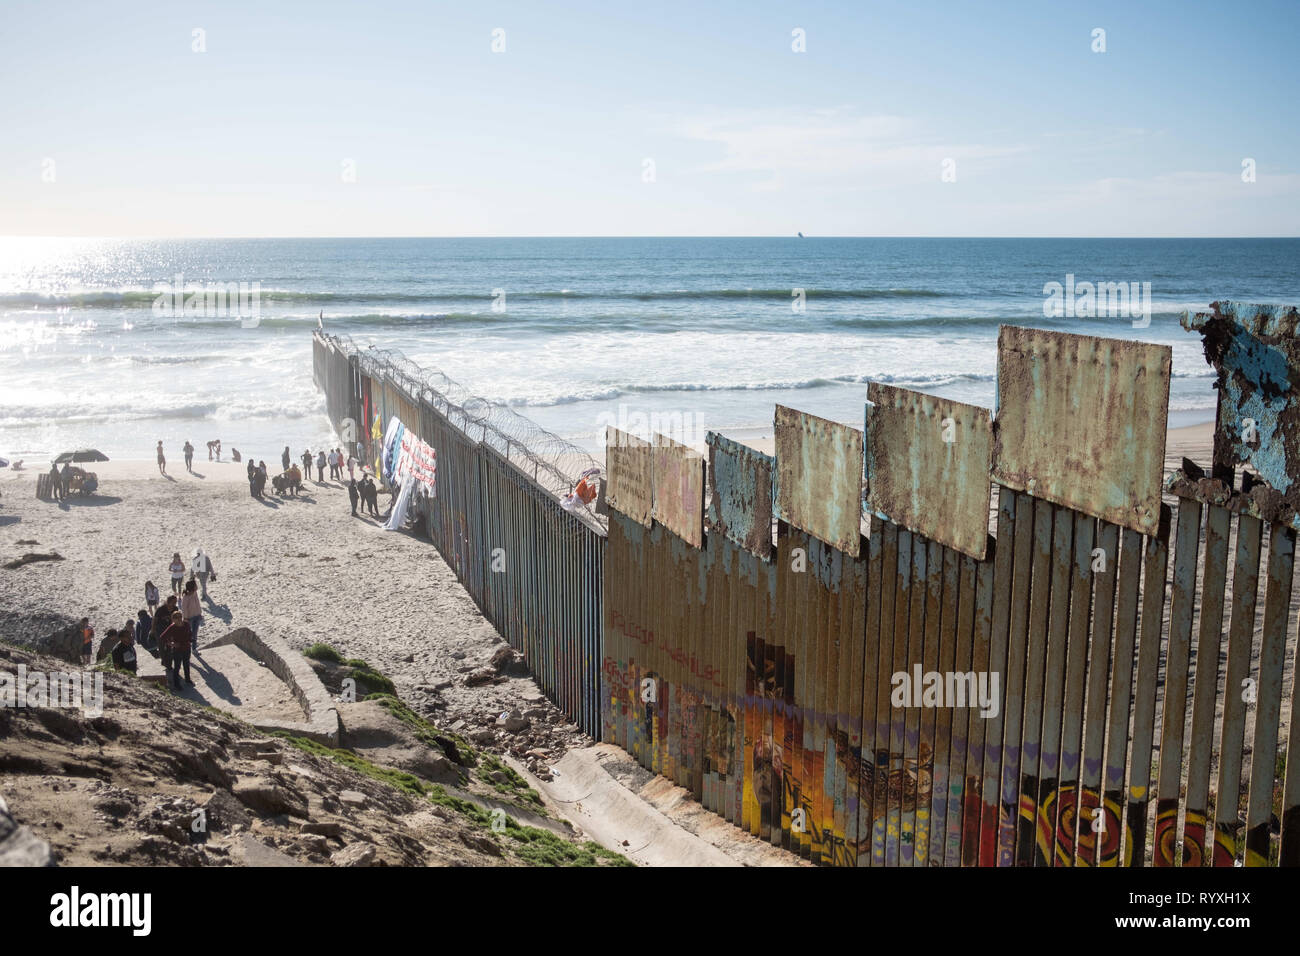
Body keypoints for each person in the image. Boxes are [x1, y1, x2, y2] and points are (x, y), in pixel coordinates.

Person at [160, 611, 192, 690]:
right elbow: (162, 637)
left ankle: (187, 679)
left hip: (187, 648)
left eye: (180, 617)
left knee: (186, 664)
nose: (179, 619)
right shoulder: (172, 627)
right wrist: (172, 644)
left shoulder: (186, 624)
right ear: (173, 619)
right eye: (176, 618)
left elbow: (190, 633)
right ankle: (177, 684)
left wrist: (190, 640)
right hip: (178, 650)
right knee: (177, 667)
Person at [182, 578, 203, 651]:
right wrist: (185, 618)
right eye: (195, 585)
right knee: (187, 634)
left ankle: (194, 649)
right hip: (189, 618)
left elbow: (197, 604)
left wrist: (199, 613)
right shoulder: (186, 597)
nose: (197, 586)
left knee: (195, 634)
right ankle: (186, 649)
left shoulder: (195, 593)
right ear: (192, 587)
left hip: (196, 616)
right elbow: (184, 608)